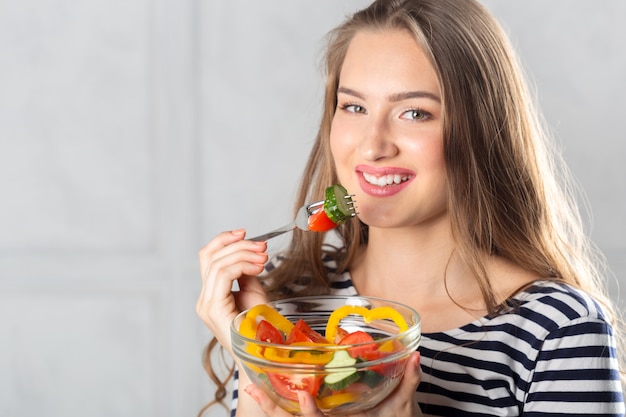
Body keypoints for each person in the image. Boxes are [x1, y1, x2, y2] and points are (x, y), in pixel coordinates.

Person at [196, 0, 626, 416]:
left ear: (480, 129)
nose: (373, 144)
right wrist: (258, 350)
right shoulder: (287, 304)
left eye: (415, 113)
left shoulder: (559, 331)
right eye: (355, 106)